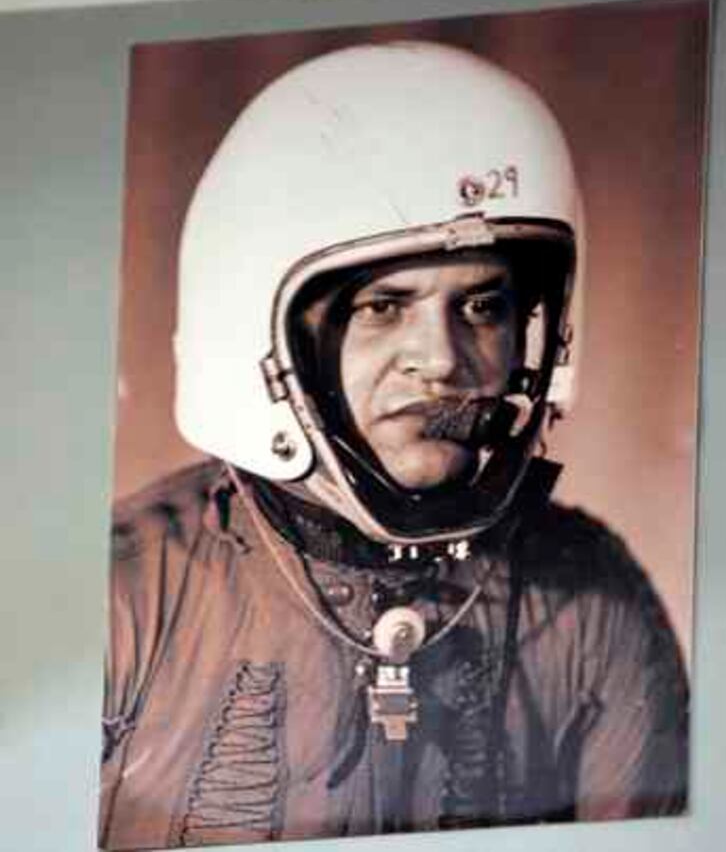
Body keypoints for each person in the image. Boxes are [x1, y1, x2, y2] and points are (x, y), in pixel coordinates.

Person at [99, 41, 688, 850]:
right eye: (383, 307)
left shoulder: (593, 601)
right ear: (266, 338)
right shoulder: (122, 596)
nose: (444, 362)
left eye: (482, 307)